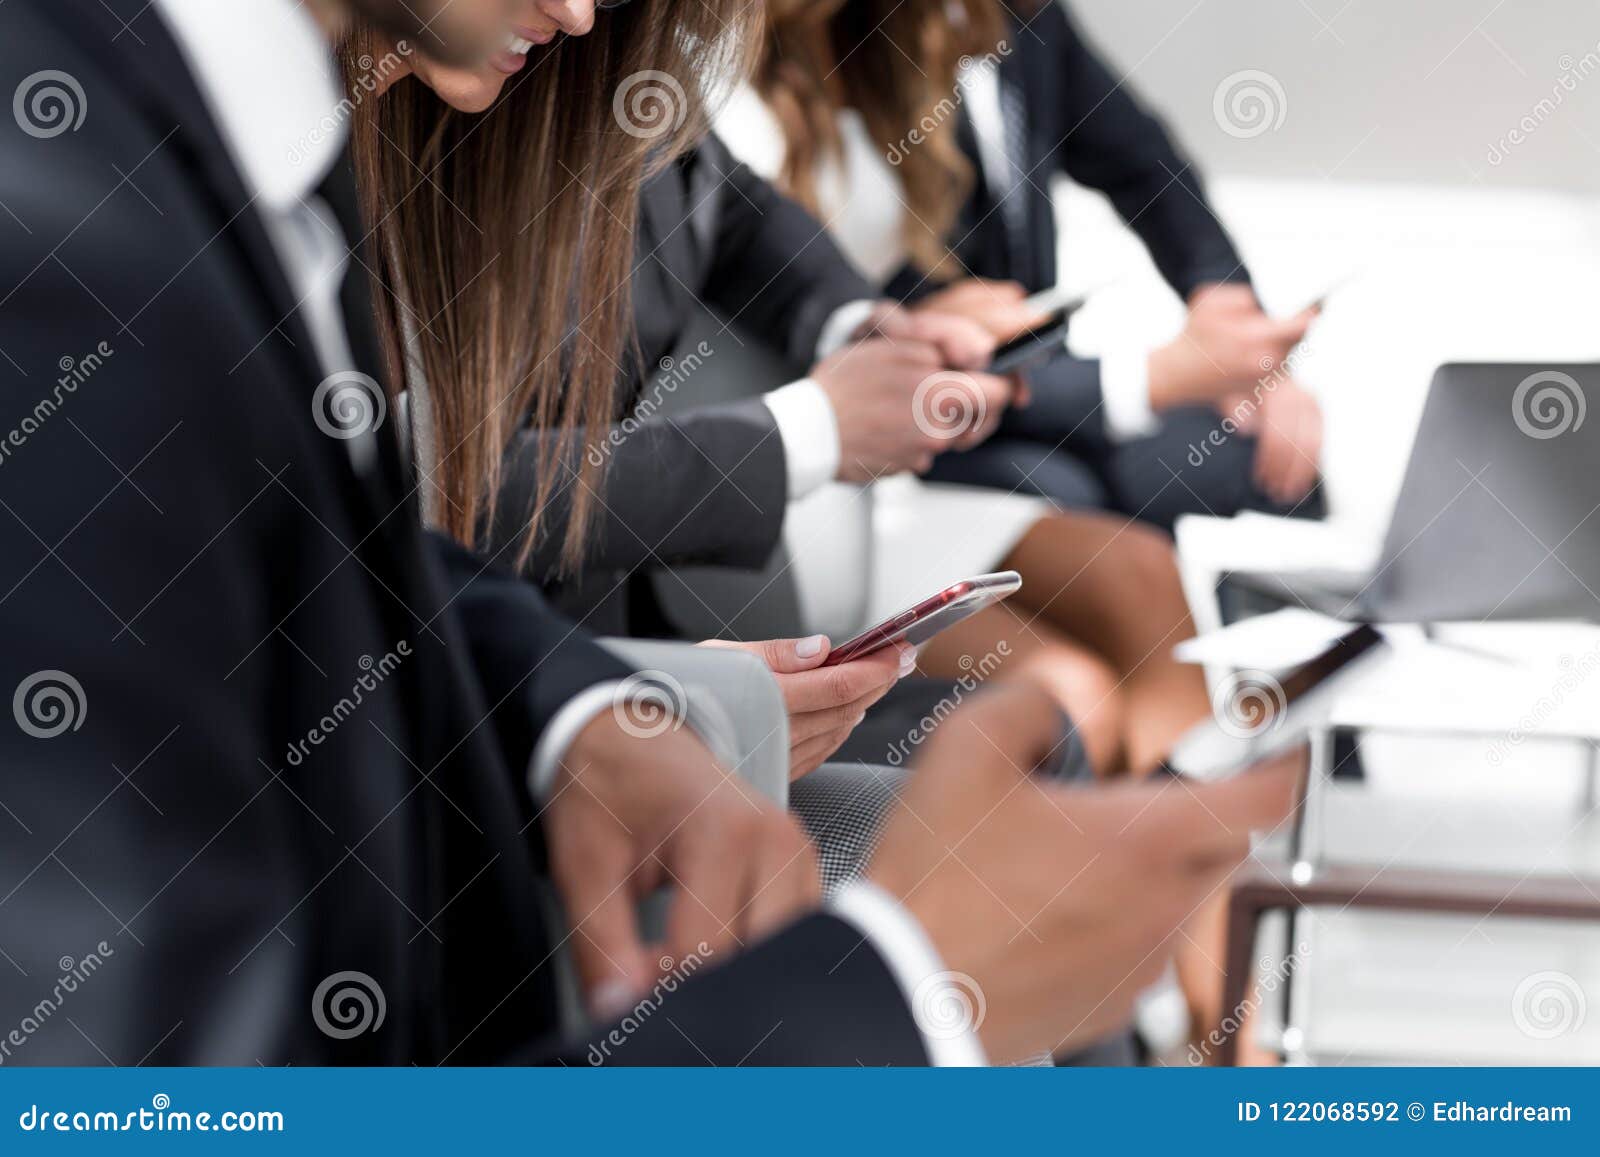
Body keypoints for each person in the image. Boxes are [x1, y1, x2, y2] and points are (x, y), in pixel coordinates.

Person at [0, 0, 1297, 1067]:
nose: (578, 16)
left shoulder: (244, 131)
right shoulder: (65, 258)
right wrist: (903, 992)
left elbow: (355, 542)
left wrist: (576, 713)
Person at [352, 26, 1213, 777]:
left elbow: (732, 203)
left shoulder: (615, 67)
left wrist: (857, 324)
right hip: (537, 651)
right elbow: (449, 491)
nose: (581, 13)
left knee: (1131, 606)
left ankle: (1219, 943)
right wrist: (811, 432)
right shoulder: (411, 125)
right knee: (1064, 699)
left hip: (626, 612)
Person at [725, 0, 1327, 535]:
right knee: (1072, 506)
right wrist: (1154, 376)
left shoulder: (1027, 19)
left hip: (1035, 377)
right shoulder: (844, 47)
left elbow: (1145, 166)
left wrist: (1243, 337)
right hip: (925, 412)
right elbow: (834, 300)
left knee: (1258, 469)